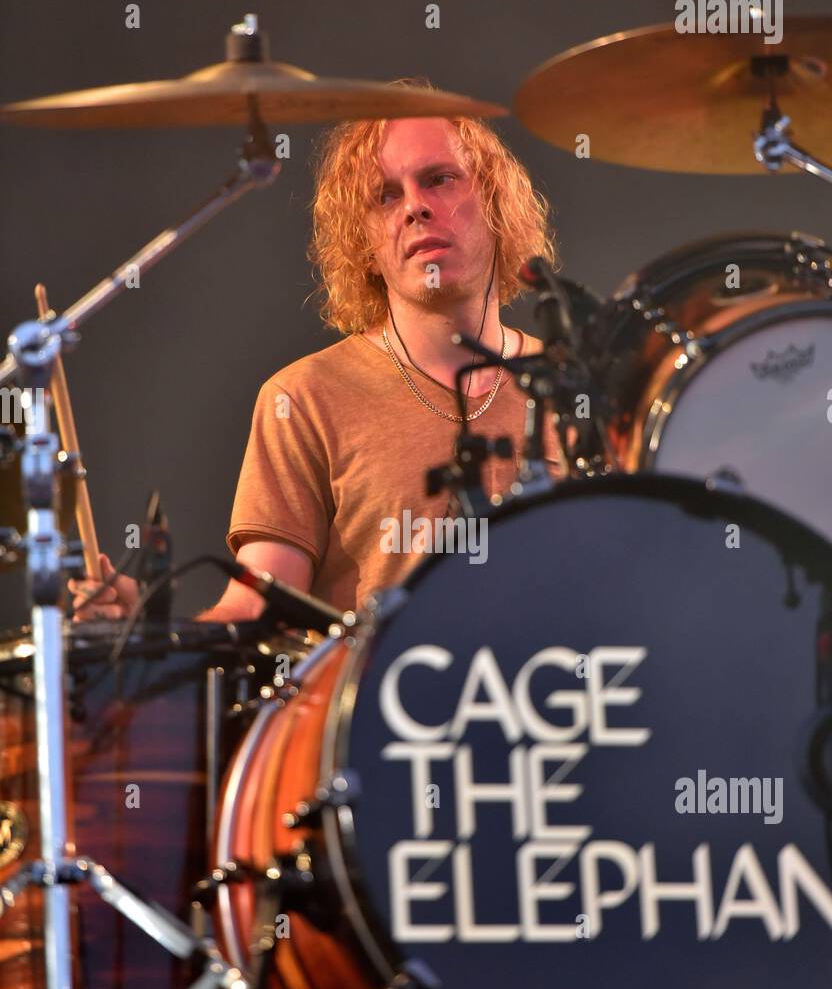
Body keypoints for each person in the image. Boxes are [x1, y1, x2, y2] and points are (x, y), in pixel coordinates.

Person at [69, 85, 559, 624]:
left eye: (439, 179)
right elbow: (259, 607)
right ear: (364, 242)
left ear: (494, 200)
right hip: (379, 706)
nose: (416, 206)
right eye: (386, 196)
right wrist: (152, 637)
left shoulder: (578, 387)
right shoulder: (303, 399)